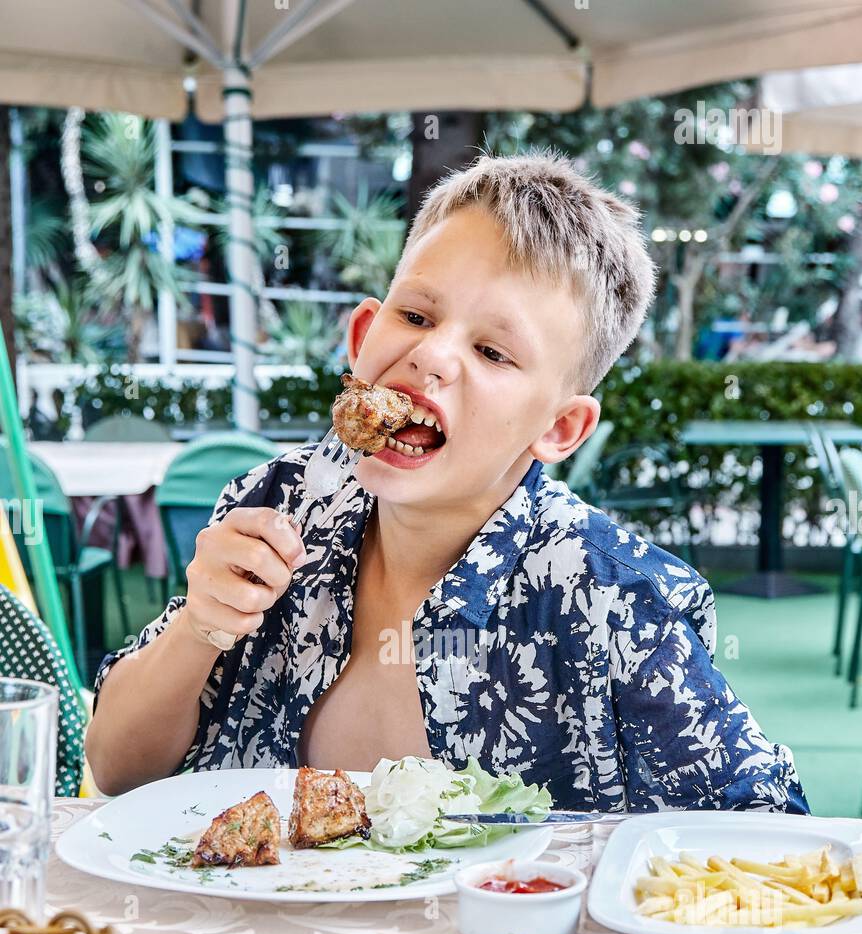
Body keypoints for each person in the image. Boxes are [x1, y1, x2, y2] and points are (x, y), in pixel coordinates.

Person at [86, 152, 808, 815]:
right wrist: (201, 625)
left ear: (557, 429)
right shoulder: (279, 501)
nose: (430, 355)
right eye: (415, 315)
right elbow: (117, 770)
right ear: (364, 334)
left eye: (492, 351)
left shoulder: (615, 602)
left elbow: (774, 836)